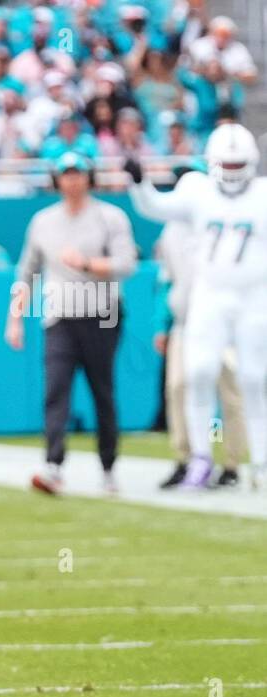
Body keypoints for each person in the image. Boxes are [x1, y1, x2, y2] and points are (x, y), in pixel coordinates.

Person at [128, 124, 267, 490]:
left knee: (255, 379)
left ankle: (259, 462)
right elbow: (154, 206)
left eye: (239, 165)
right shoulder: (199, 193)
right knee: (197, 374)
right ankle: (201, 457)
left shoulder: (263, 195)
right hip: (209, 296)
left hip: (254, 296)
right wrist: (138, 182)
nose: (233, 173)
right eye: (228, 165)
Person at [6, 152, 138, 495]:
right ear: (57, 180)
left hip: (101, 315)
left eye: (78, 173)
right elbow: (27, 273)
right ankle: (53, 465)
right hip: (59, 317)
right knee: (56, 389)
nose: (73, 180)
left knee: (102, 392)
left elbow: (127, 263)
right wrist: (15, 319)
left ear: (89, 177)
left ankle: (108, 467)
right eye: (66, 174)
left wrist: (88, 264)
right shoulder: (43, 221)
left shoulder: (110, 217)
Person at [151, 172, 247, 490]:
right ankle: (186, 459)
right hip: (185, 322)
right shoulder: (170, 233)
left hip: (224, 322)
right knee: (178, 387)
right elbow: (165, 281)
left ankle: (232, 464)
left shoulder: (223, 222)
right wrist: (160, 324)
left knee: (230, 394)